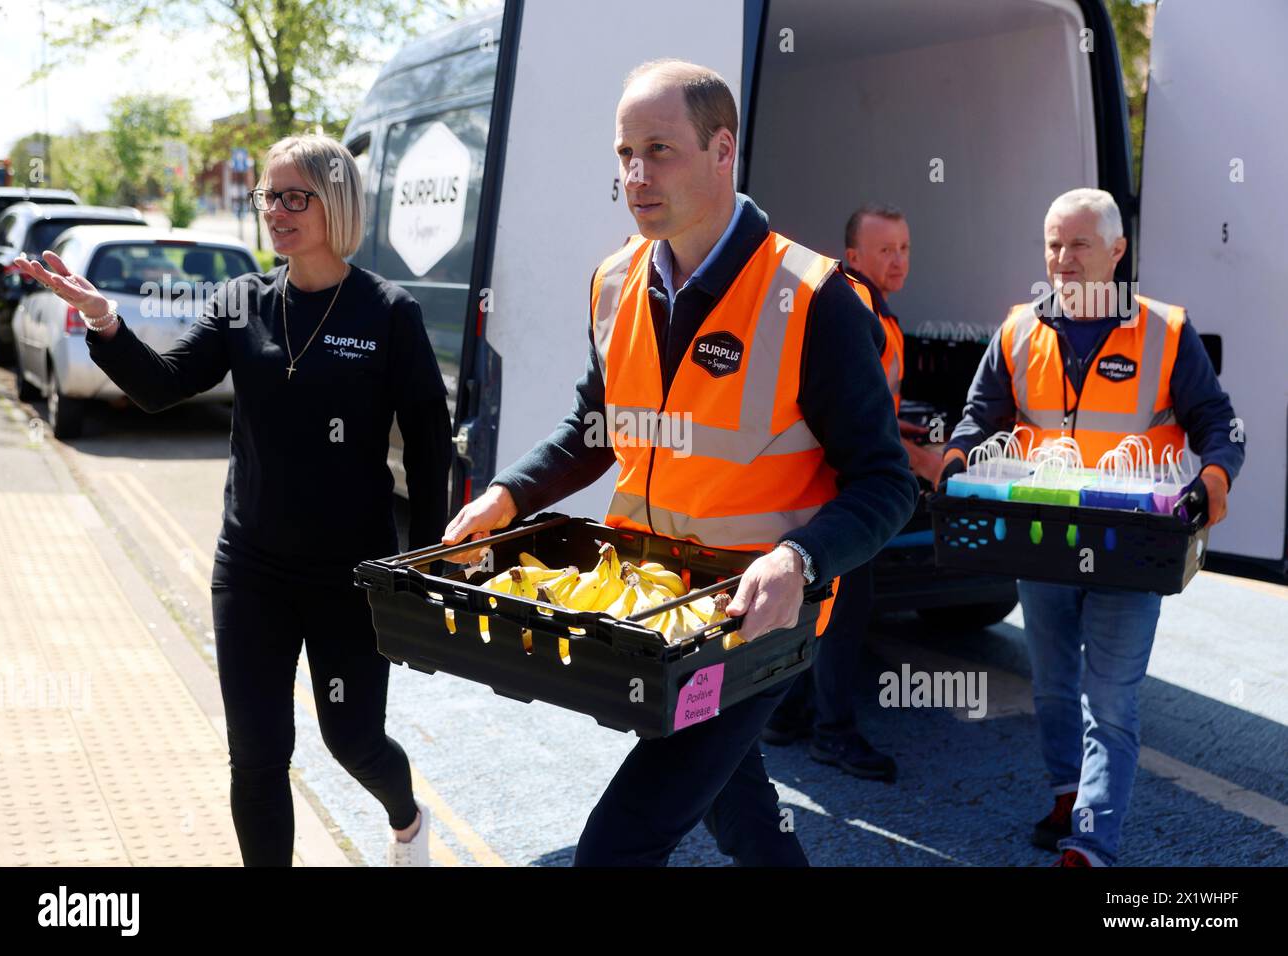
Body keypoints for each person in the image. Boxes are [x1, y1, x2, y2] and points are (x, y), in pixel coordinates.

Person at [443, 59, 918, 866]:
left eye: (658, 150)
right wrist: (507, 494)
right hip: (651, 609)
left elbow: (886, 483)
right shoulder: (614, 278)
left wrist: (799, 558)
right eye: (625, 153)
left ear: (723, 148)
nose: (635, 174)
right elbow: (597, 426)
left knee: (620, 844)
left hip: (752, 622)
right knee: (740, 813)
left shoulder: (815, 298)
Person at [14, 134, 453, 867]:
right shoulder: (243, 300)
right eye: (267, 196)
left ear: (335, 202)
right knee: (256, 757)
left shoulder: (388, 313)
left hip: (352, 577)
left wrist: (427, 569)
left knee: (353, 741)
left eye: (293, 197)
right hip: (251, 571)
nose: (274, 211)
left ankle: (407, 821)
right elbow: (160, 386)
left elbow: (432, 448)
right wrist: (103, 320)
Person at [936, 187, 1243, 866]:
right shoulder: (1019, 329)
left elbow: (1219, 427)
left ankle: (1092, 842)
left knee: (1110, 696)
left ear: (1117, 250)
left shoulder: (1163, 331)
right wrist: (957, 458)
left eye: (1078, 244)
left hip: (1132, 542)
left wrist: (1213, 481)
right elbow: (979, 413)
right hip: (1041, 536)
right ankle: (1065, 791)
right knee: (1051, 684)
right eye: (1053, 243)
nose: (1062, 259)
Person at [762, 204, 938, 779]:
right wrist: (928, 463)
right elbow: (864, 433)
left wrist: (903, 429)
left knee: (820, 612)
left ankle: (786, 716)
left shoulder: (881, 316)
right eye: (885, 249)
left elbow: (868, 410)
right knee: (841, 615)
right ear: (854, 257)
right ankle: (832, 734)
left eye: (906, 248)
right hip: (843, 497)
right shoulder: (856, 309)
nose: (899, 259)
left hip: (836, 494)